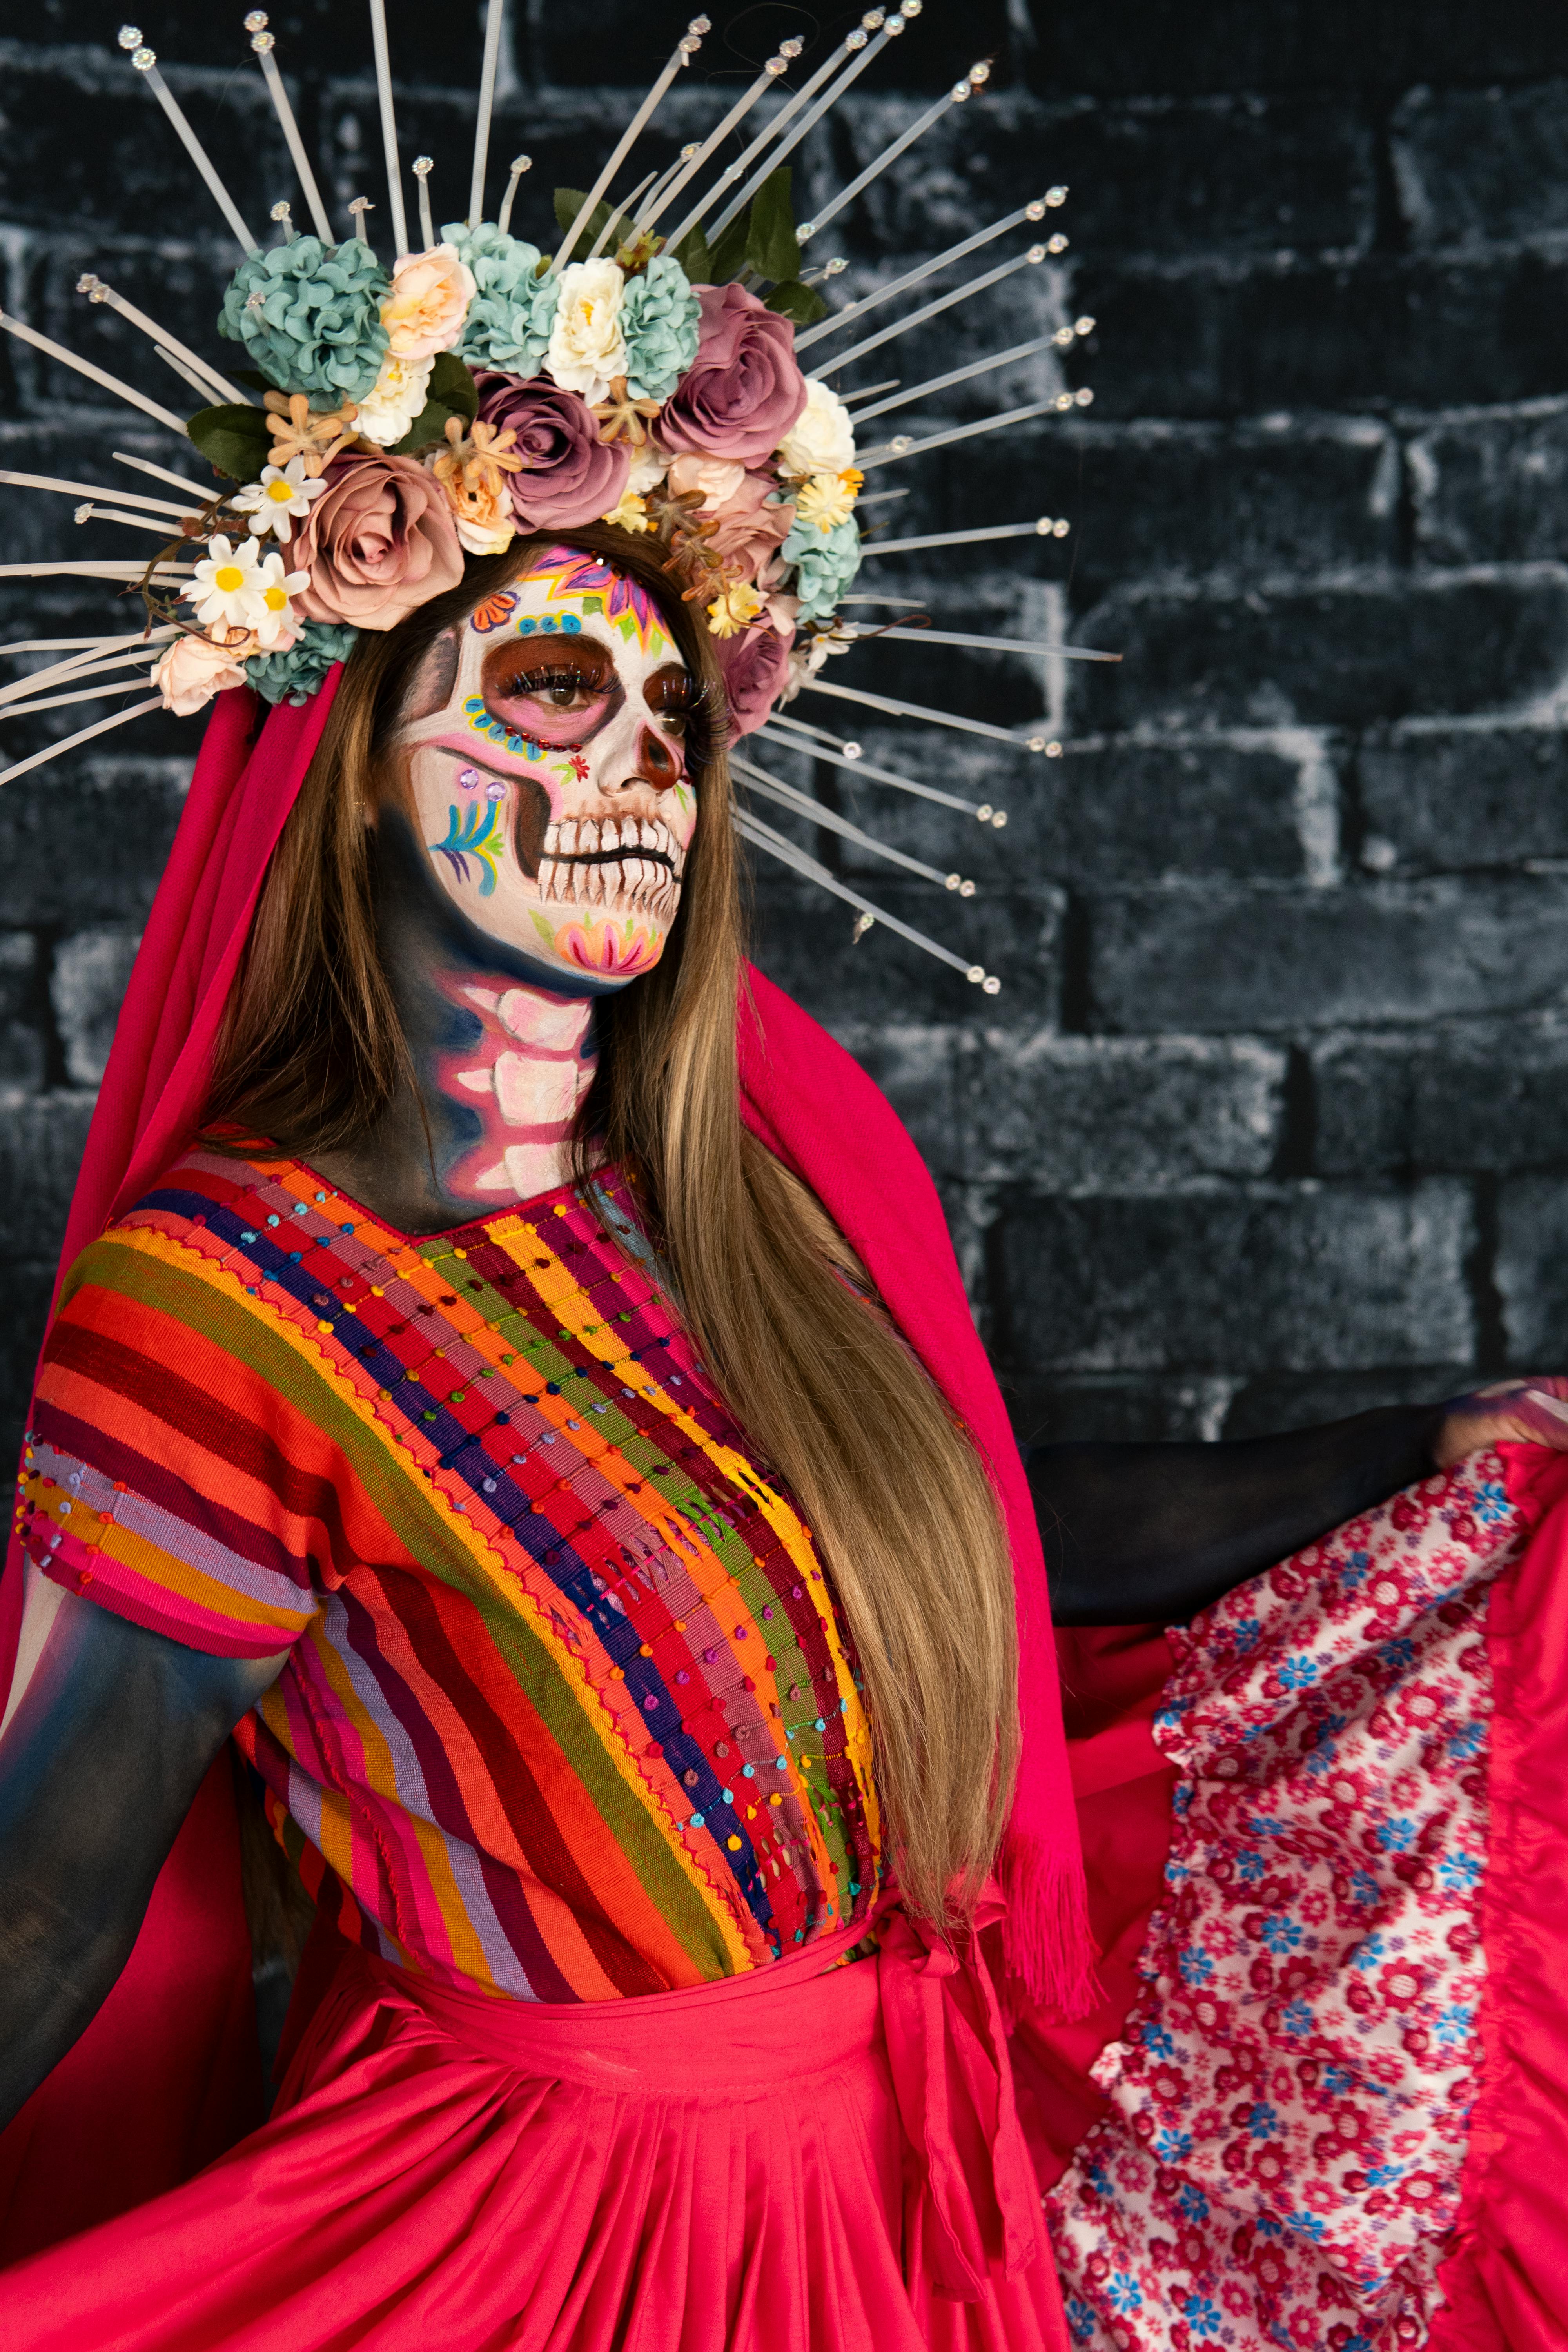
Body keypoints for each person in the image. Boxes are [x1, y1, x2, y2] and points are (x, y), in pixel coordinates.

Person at [4, 525, 1568, 2352]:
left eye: (674, 711)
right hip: (574, 2251)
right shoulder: (218, 1303)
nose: (646, 766)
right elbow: (46, 1902)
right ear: (355, 762)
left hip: (906, 2194)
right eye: (558, 693)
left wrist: (1414, 1445)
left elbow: (945, 1533)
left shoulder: (725, 1191)